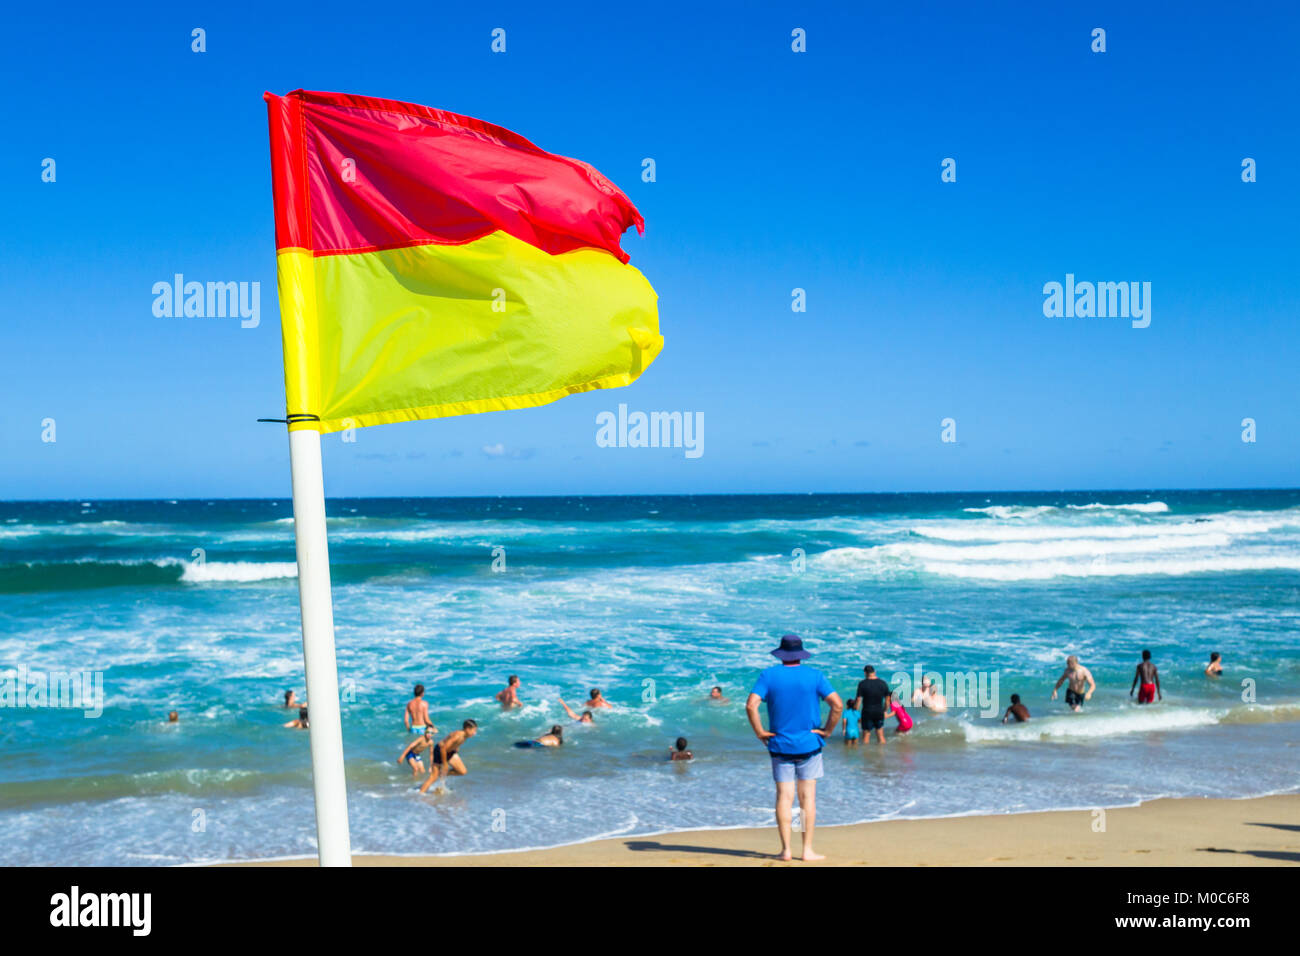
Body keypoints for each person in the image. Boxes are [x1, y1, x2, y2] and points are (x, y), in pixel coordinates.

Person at [746, 634, 843, 862]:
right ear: (801, 654)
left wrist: (760, 732)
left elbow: (751, 705)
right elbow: (837, 705)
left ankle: (786, 850)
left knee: (784, 798)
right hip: (809, 745)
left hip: (780, 745)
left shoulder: (768, 675)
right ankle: (806, 850)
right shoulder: (815, 676)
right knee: (806, 798)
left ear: (781, 654)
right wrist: (828, 730)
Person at [418, 719, 478, 793]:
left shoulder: (465, 736)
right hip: (440, 751)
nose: (475, 733)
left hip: (450, 752)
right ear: (468, 729)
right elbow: (443, 748)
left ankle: (442, 774)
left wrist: (456, 747)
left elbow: (452, 740)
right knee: (434, 776)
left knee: (462, 771)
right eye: (474, 730)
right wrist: (445, 764)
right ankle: (420, 794)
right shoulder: (458, 735)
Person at [854, 665, 892, 744]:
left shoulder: (862, 684)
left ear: (865, 673)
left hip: (867, 712)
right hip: (879, 712)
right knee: (880, 735)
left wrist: (855, 711)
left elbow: (858, 700)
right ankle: (882, 754)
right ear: (874, 672)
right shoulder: (883, 683)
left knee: (866, 737)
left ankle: (866, 755)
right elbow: (887, 699)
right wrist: (885, 710)